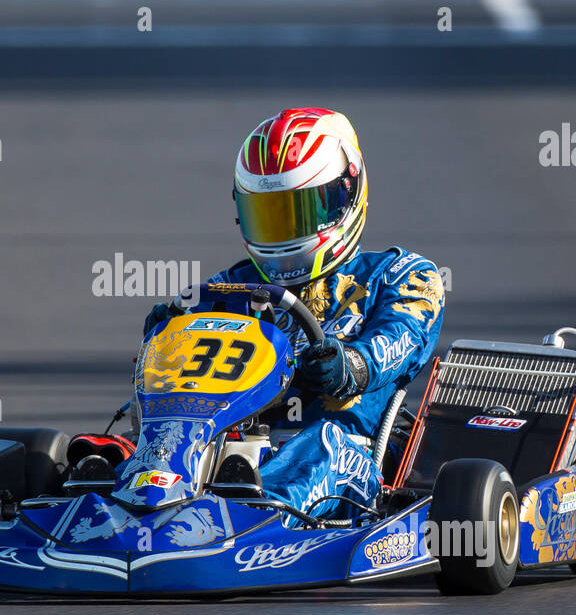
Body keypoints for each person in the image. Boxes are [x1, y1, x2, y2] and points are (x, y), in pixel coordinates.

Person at [143, 107, 445, 522]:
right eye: (269, 216)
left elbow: (400, 338)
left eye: (299, 213)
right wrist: (165, 336)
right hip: (228, 447)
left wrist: (351, 364)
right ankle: (115, 494)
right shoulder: (229, 286)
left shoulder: (402, 276)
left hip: (348, 453)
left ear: (346, 195)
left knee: (319, 443)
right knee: (126, 448)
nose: (283, 234)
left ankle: (248, 517)